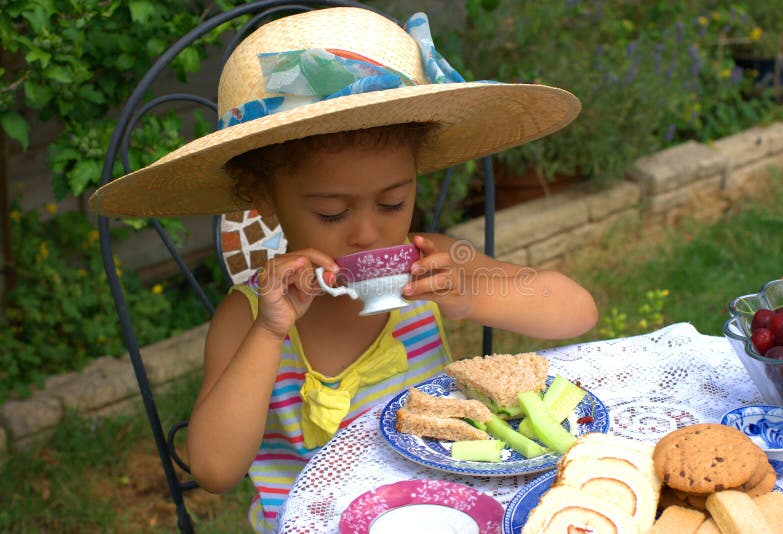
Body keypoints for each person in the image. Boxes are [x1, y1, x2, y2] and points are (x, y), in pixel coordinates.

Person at [89, 7, 597, 531]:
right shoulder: (251, 318)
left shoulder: (431, 264)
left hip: (441, 514)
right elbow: (215, 470)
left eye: (393, 202)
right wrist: (269, 332)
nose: (366, 233)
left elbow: (577, 312)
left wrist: (473, 293)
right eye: (332, 213)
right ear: (263, 198)